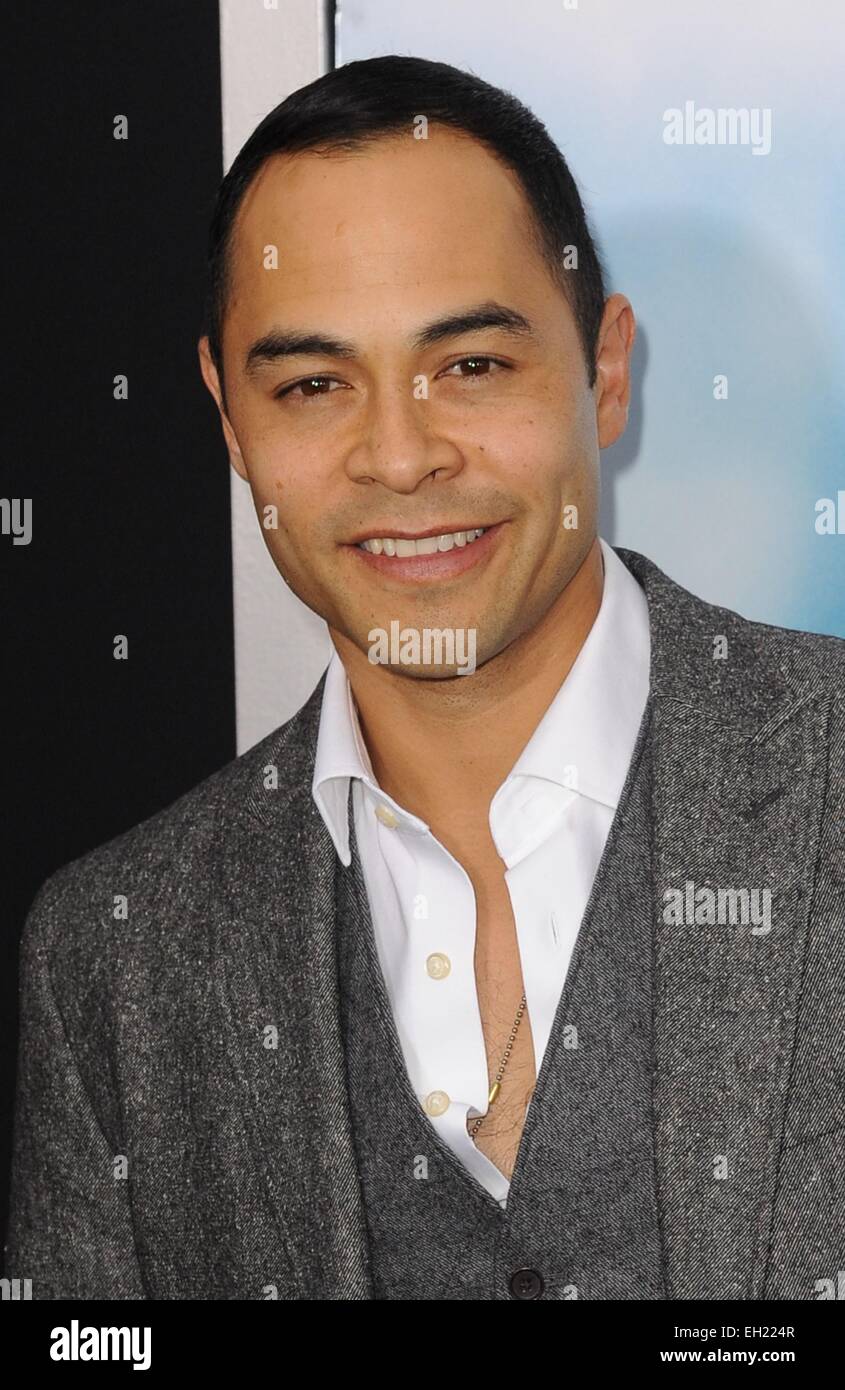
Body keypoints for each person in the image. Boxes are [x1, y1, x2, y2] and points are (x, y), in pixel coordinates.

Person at [6, 55, 844, 1301]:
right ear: (230, 421)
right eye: (312, 386)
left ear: (604, 370)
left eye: (470, 366)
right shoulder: (111, 964)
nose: (398, 456)